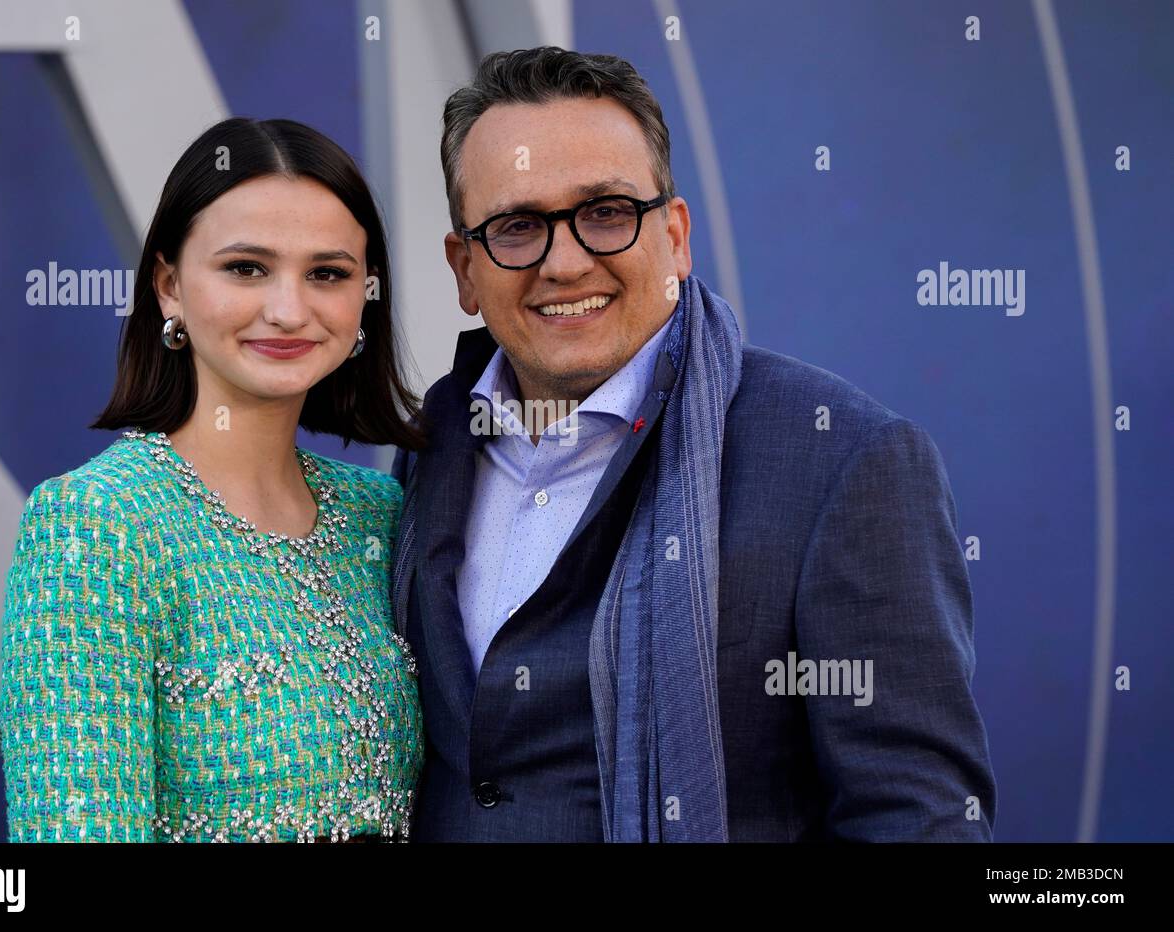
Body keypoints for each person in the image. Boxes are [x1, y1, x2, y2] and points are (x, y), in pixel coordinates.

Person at [391, 47, 997, 841]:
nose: (565, 262)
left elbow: (919, 821)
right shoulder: (428, 448)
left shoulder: (845, 462)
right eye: (517, 226)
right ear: (465, 268)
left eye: (605, 212)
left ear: (675, 236)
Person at [0, 118, 425, 842]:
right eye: (246, 268)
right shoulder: (97, 525)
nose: (289, 309)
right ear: (169, 286)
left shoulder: (377, 513)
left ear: (365, 298)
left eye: (327, 273)